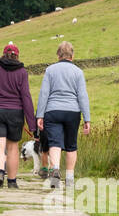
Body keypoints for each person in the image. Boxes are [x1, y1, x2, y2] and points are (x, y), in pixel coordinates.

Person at [0, 42, 37, 189]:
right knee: (12, 148)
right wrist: (32, 124)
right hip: (15, 113)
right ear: (17, 55)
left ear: (3, 54)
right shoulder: (22, 72)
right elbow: (26, 97)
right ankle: (12, 181)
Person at [36, 41, 91, 190]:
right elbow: (82, 96)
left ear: (58, 55)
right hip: (72, 112)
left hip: (52, 111)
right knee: (71, 145)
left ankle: (55, 171)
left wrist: (39, 115)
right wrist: (87, 118)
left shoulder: (50, 70)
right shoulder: (78, 72)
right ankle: (70, 178)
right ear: (72, 56)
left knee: (55, 143)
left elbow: (44, 94)